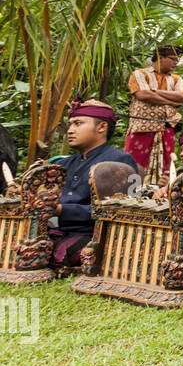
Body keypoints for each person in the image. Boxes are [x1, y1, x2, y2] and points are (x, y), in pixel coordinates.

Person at [52, 99, 140, 269]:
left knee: (62, 254)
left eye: (78, 124)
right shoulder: (63, 165)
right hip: (60, 231)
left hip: (94, 235)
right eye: (70, 125)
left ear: (101, 127)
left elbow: (122, 210)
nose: (70, 131)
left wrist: (62, 210)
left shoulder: (120, 161)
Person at [125, 44, 183, 180]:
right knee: (133, 166)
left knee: (166, 167)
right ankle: (129, 196)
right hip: (141, 128)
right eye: (172, 59)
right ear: (160, 57)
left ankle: (161, 196)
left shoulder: (176, 79)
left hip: (166, 128)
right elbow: (143, 95)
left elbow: (181, 96)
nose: (176, 63)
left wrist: (153, 91)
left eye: (177, 60)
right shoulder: (140, 74)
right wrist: (171, 101)